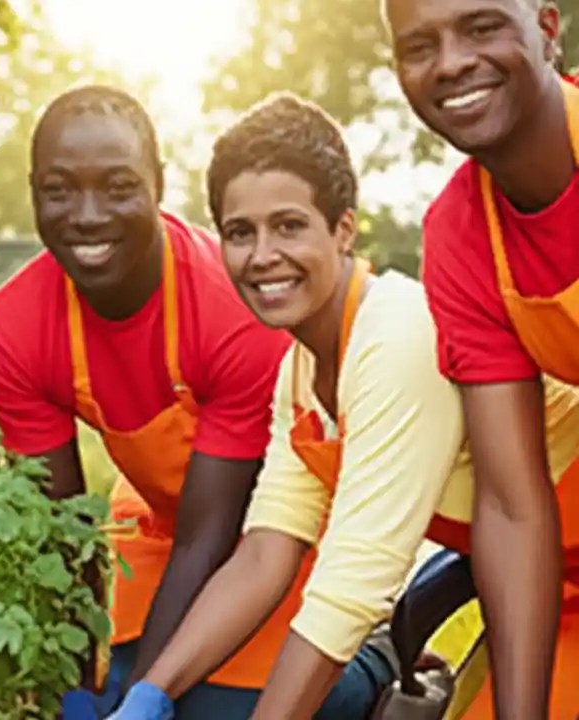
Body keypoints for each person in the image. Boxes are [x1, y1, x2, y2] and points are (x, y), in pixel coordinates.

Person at [106, 92, 489, 720]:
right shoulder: (301, 370)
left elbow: (349, 592)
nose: (262, 257)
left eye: (288, 226)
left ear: (343, 228)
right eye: (239, 233)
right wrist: (151, 692)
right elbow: (264, 552)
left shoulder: (396, 335)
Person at [0, 85, 297, 717]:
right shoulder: (15, 326)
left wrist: (139, 698)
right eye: (59, 189)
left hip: (280, 536)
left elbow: (212, 534)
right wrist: (73, 684)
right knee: (110, 680)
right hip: (159, 526)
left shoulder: (232, 310)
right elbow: (59, 531)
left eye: (118, 186)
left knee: (207, 707)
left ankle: (380, 655)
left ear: (159, 184)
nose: (87, 215)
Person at [385, 0, 579, 715]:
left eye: (481, 26)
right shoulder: (461, 235)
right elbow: (511, 501)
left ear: (548, 30)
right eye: (419, 46)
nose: (452, 62)